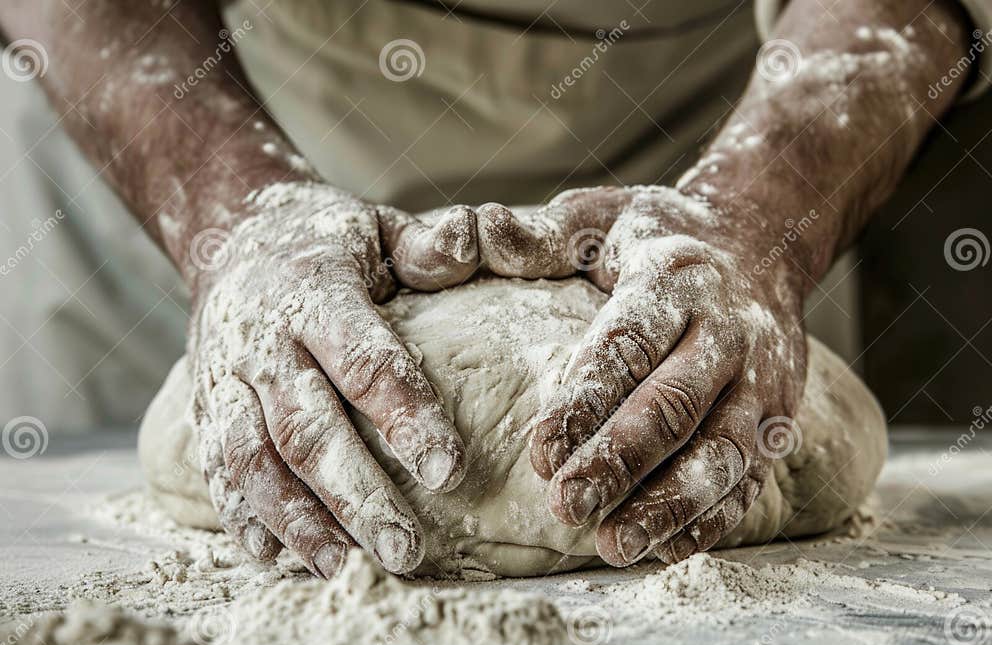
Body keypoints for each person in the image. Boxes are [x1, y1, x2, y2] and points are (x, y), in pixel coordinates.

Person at [0, 0, 987, 577]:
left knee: (701, 426)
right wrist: (231, 214)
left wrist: (758, 212)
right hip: (192, 122)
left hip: (706, 138)